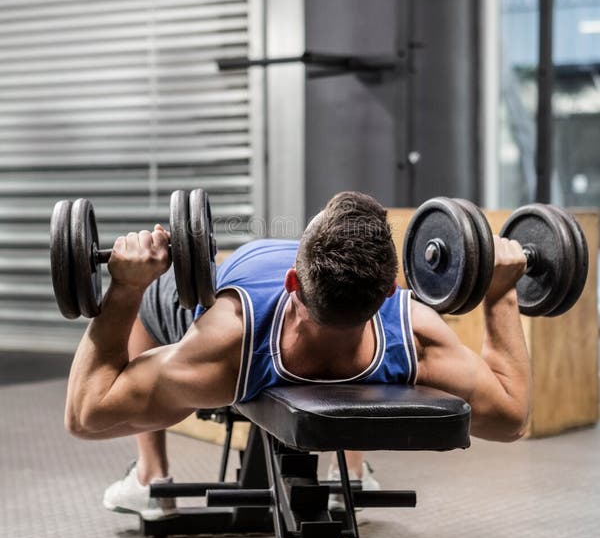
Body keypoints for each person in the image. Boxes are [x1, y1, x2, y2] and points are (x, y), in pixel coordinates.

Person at [65, 191, 530, 520]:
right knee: (369, 357)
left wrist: (127, 286)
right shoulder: (415, 332)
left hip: (251, 291)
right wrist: (501, 295)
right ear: (391, 290)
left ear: (292, 281)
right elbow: (512, 418)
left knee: (152, 303)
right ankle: (349, 470)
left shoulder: (224, 343)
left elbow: (85, 415)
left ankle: (152, 479)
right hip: (337, 310)